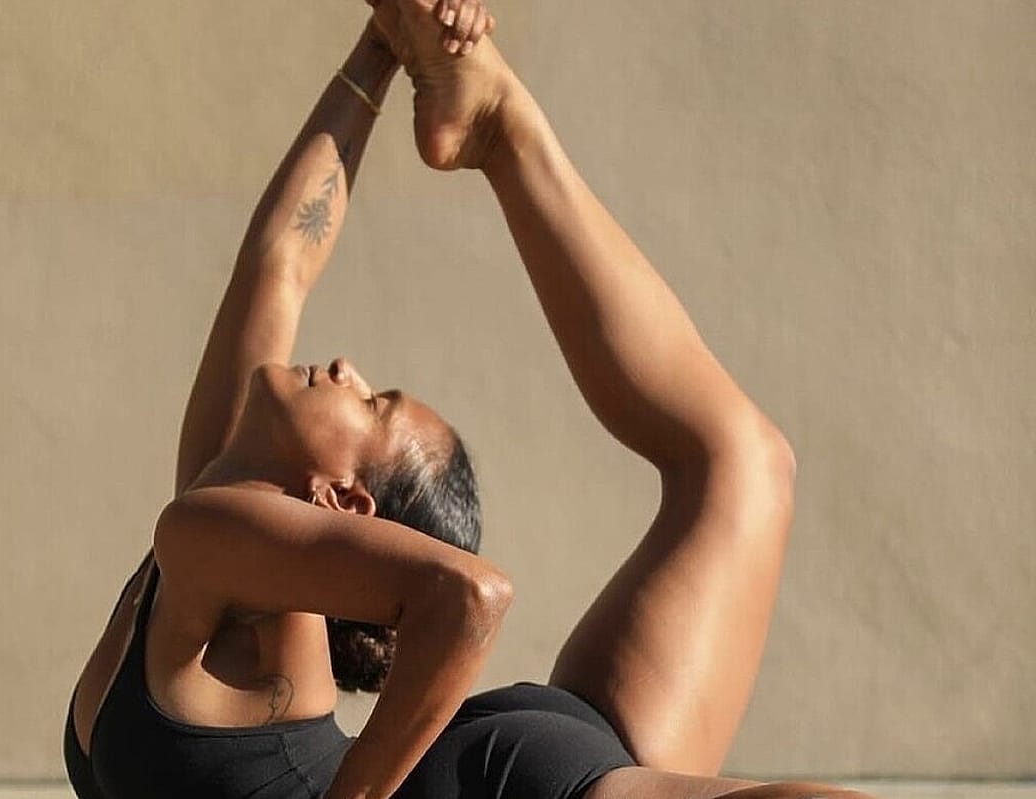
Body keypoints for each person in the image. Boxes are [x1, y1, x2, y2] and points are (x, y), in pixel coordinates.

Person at [64, 2, 872, 798]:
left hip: (494, 777)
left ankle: (497, 121)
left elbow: (468, 597)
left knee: (743, 464)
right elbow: (280, 262)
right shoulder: (215, 517)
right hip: (490, 759)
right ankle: (494, 121)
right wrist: (385, 37)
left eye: (373, 402)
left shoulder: (207, 536)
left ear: (342, 499)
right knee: (741, 462)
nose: (346, 365)